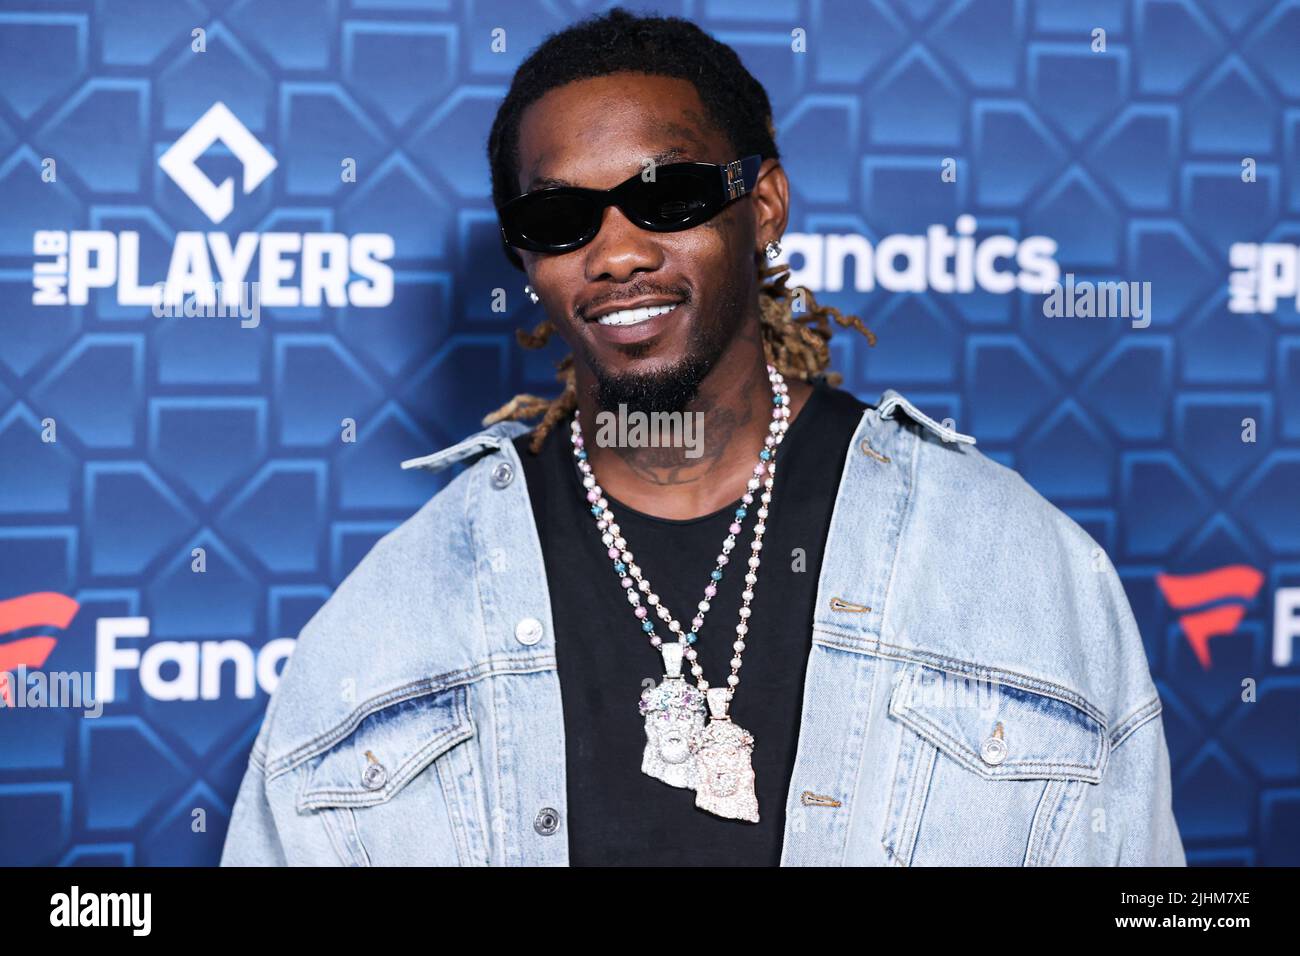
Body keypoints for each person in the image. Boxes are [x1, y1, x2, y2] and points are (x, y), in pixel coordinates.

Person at [221, 7, 1185, 867]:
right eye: (560, 218)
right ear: (524, 254)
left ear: (761, 205)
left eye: (669, 195)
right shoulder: (390, 622)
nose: (618, 252)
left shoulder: (1019, 569)